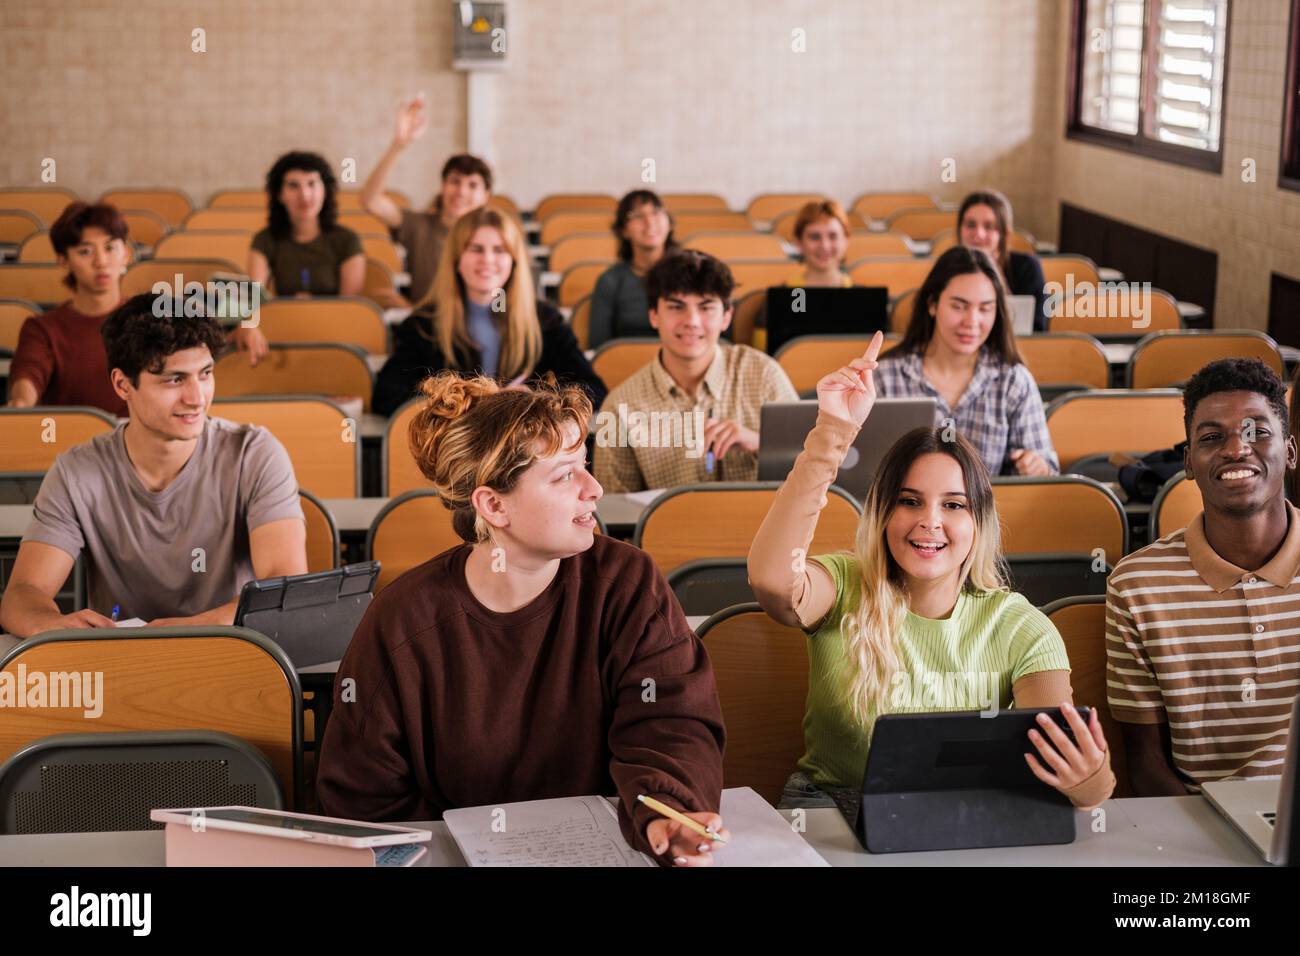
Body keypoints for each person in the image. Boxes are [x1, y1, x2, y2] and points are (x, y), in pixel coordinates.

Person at [316, 373, 727, 866]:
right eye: (564, 475)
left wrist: (668, 810)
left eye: (585, 465)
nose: (593, 489)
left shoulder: (627, 581)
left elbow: (670, 720)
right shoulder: (403, 619)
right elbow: (363, 798)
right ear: (493, 505)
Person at [747, 332, 1115, 817]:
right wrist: (831, 435)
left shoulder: (1019, 626)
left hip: (959, 812)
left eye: (954, 505)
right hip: (831, 810)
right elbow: (772, 580)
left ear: (978, 523)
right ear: (882, 513)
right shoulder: (841, 585)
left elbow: (1092, 791)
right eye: (909, 501)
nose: (930, 522)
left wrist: (1086, 778)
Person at [0, 293, 308, 638]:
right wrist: (49, 622)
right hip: (124, 670)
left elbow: (285, 587)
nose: (196, 398)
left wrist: (188, 630)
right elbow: (22, 594)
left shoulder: (255, 453)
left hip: (234, 657)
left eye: (204, 374)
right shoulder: (77, 472)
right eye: (174, 380)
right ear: (122, 385)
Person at [1108, 358, 1300, 795]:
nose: (1236, 449)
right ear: (1189, 461)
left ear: (1290, 451)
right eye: (1212, 438)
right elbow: (1146, 763)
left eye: (1257, 432)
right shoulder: (1137, 586)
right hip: (1207, 828)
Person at [592, 249, 798, 491]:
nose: (692, 321)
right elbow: (612, 509)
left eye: (706, 307)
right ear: (654, 315)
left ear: (726, 316)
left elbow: (816, 469)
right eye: (676, 307)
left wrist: (759, 443)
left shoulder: (765, 375)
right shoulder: (619, 407)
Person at [373, 207, 606, 416]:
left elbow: (593, 392)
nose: (487, 260)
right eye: (476, 249)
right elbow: (386, 397)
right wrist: (467, 401)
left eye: (499, 250)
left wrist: (537, 400)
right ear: (456, 259)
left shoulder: (545, 321)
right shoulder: (423, 324)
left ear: (514, 261)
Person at [875, 246, 1059, 477]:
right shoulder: (886, 376)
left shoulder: (1014, 380)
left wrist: (1037, 467)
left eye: (985, 309)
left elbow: (1049, 474)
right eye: (958, 306)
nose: (972, 321)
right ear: (932, 304)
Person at [361, 95, 493, 303]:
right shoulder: (419, 227)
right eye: (455, 181)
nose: (461, 192)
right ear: (442, 186)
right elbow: (371, 201)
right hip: (426, 330)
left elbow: (505, 299)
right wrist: (398, 145)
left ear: (486, 196)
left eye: (473, 185)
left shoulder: (495, 237)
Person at [7, 202, 130, 415]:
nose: (101, 261)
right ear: (64, 261)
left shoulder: (150, 318)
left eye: (110, 248)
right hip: (68, 443)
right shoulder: (43, 328)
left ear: (126, 254)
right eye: (85, 251)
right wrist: (21, 403)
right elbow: (29, 373)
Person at [249, 151, 365, 298]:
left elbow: (351, 307)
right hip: (285, 318)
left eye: (312, 184)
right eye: (293, 185)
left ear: (325, 190)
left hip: (334, 319)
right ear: (279, 194)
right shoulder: (264, 239)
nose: (304, 195)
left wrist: (311, 307)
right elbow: (254, 298)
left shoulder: (347, 239)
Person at [587, 190, 677, 348]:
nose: (649, 222)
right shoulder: (609, 281)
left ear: (669, 223)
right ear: (624, 230)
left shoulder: (691, 275)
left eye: (656, 213)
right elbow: (599, 349)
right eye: (638, 216)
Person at [956, 189, 1048, 331]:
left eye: (989, 226)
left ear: (1005, 234)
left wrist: (991, 269)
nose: (978, 234)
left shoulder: (1027, 267)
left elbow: (1037, 329)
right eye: (970, 225)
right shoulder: (948, 268)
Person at [787, 199, 853, 288]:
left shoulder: (865, 299)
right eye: (815, 237)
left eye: (832, 236)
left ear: (846, 241)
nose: (825, 246)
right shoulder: (776, 299)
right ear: (799, 243)